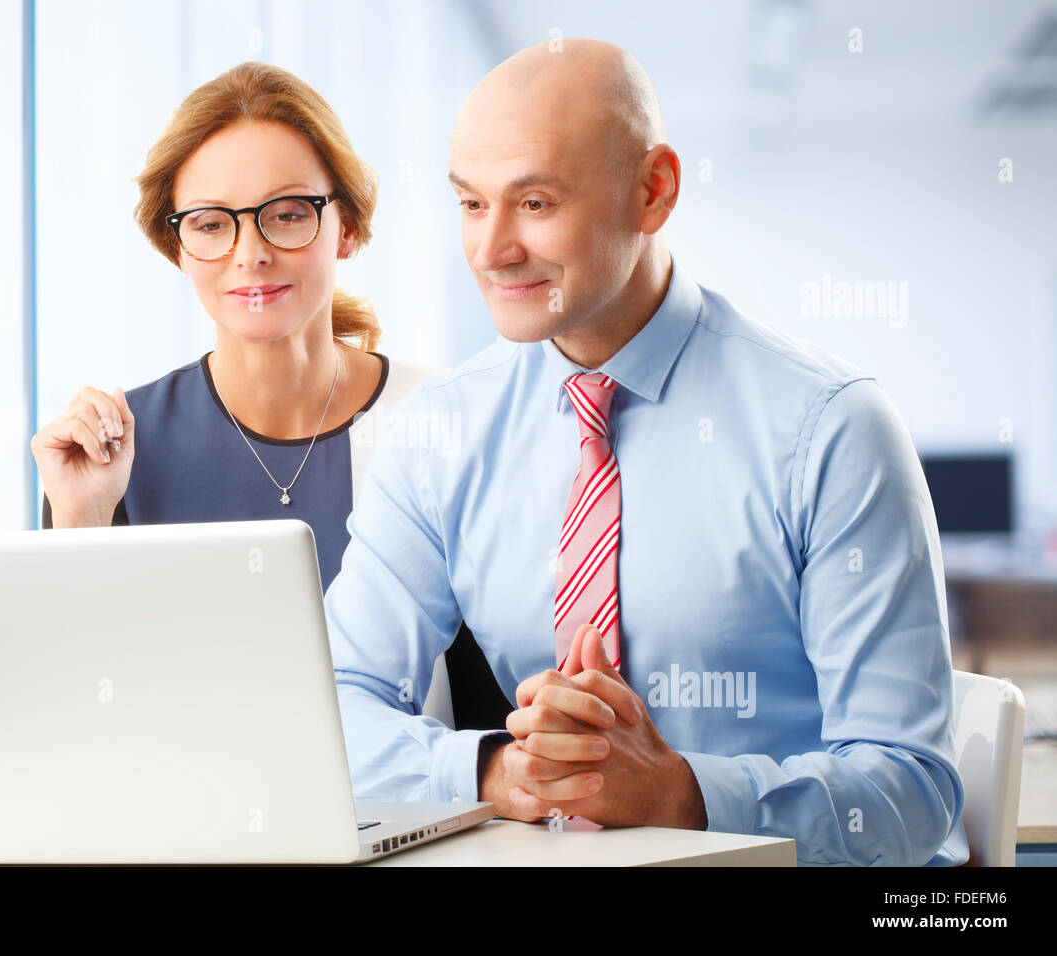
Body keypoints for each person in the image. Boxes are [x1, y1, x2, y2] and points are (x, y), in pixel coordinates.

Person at [322, 37, 968, 866]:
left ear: (653, 190)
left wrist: (682, 795)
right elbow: (333, 705)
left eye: (537, 203)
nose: (491, 250)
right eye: (472, 205)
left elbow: (910, 790)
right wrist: (494, 772)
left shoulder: (830, 429)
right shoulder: (441, 435)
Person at [30, 62, 443, 595]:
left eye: (289, 214)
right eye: (210, 223)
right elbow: (80, 672)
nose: (251, 255)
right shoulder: (114, 453)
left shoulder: (443, 415)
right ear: (178, 247)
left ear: (349, 228)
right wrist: (81, 522)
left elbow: (495, 670)